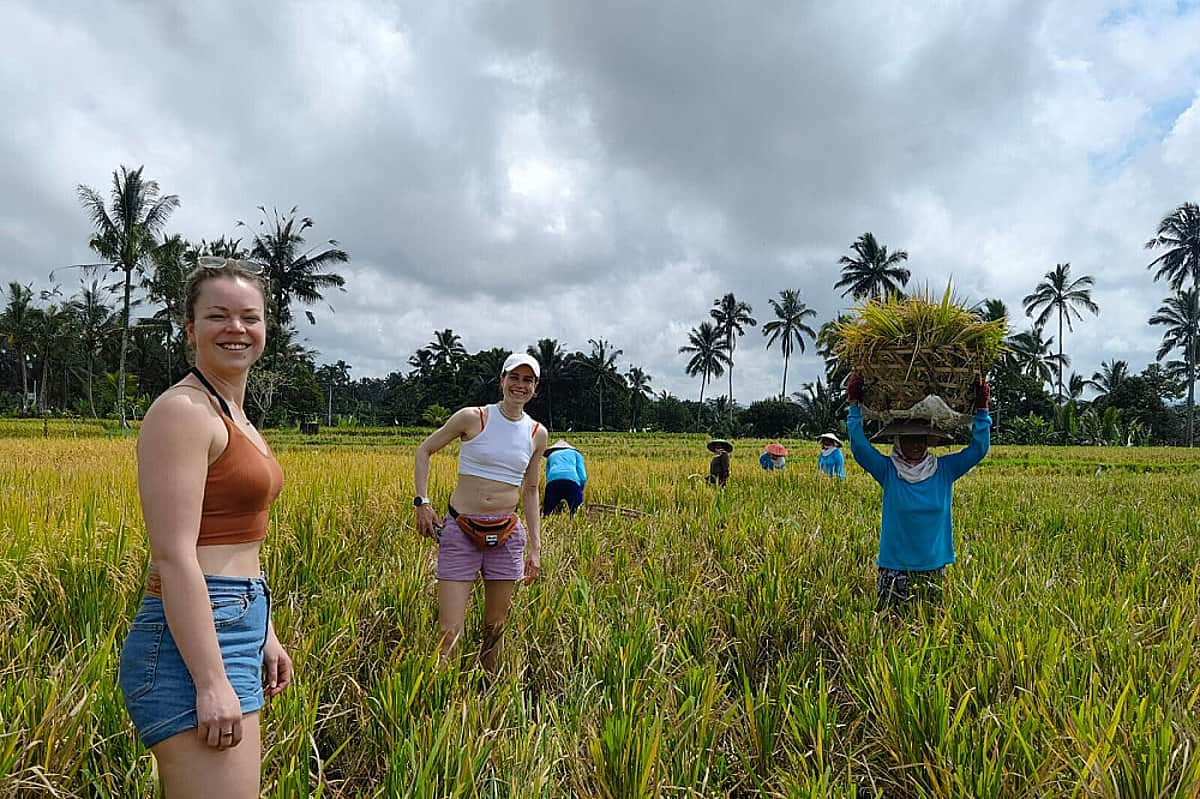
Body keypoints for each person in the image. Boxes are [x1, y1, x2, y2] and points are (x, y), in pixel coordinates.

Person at [118, 258, 292, 798]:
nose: (236, 328)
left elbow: (239, 540)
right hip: (190, 641)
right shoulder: (184, 412)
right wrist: (211, 681)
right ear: (190, 329)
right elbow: (174, 556)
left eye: (250, 316)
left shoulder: (234, 414)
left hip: (236, 623)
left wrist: (265, 630)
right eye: (218, 315)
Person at [414, 353, 548, 671]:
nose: (520, 385)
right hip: (461, 530)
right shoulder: (472, 418)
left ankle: (486, 694)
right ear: (501, 380)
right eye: (514, 377)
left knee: (495, 628)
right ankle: (441, 700)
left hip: (506, 534)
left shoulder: (536, 434)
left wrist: (536, 547)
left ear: (535, 387)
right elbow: (424, 450)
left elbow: (530, 490)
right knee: (449, 632)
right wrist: (423, 502)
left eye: (528, 379)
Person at [846, 374, 991, 610]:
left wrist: (983, 409)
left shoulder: (945, 470)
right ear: (897, 441)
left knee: (930, 631)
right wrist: (854, 407)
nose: (915, 444)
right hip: (895, 568)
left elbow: (978, 449)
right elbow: (859, 447)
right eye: (909, 438)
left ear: (929, 441)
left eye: (921, 438)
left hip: (934, 567)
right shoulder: (888, 471)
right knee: (892, 629)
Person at [543, 439, 586, 516]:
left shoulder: (551, 456)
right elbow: (583, 477)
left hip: (553, 482)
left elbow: (548, 476)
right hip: (572, 482)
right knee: (577, 511)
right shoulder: (576, 454)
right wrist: (580, 489)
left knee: (548, 511)